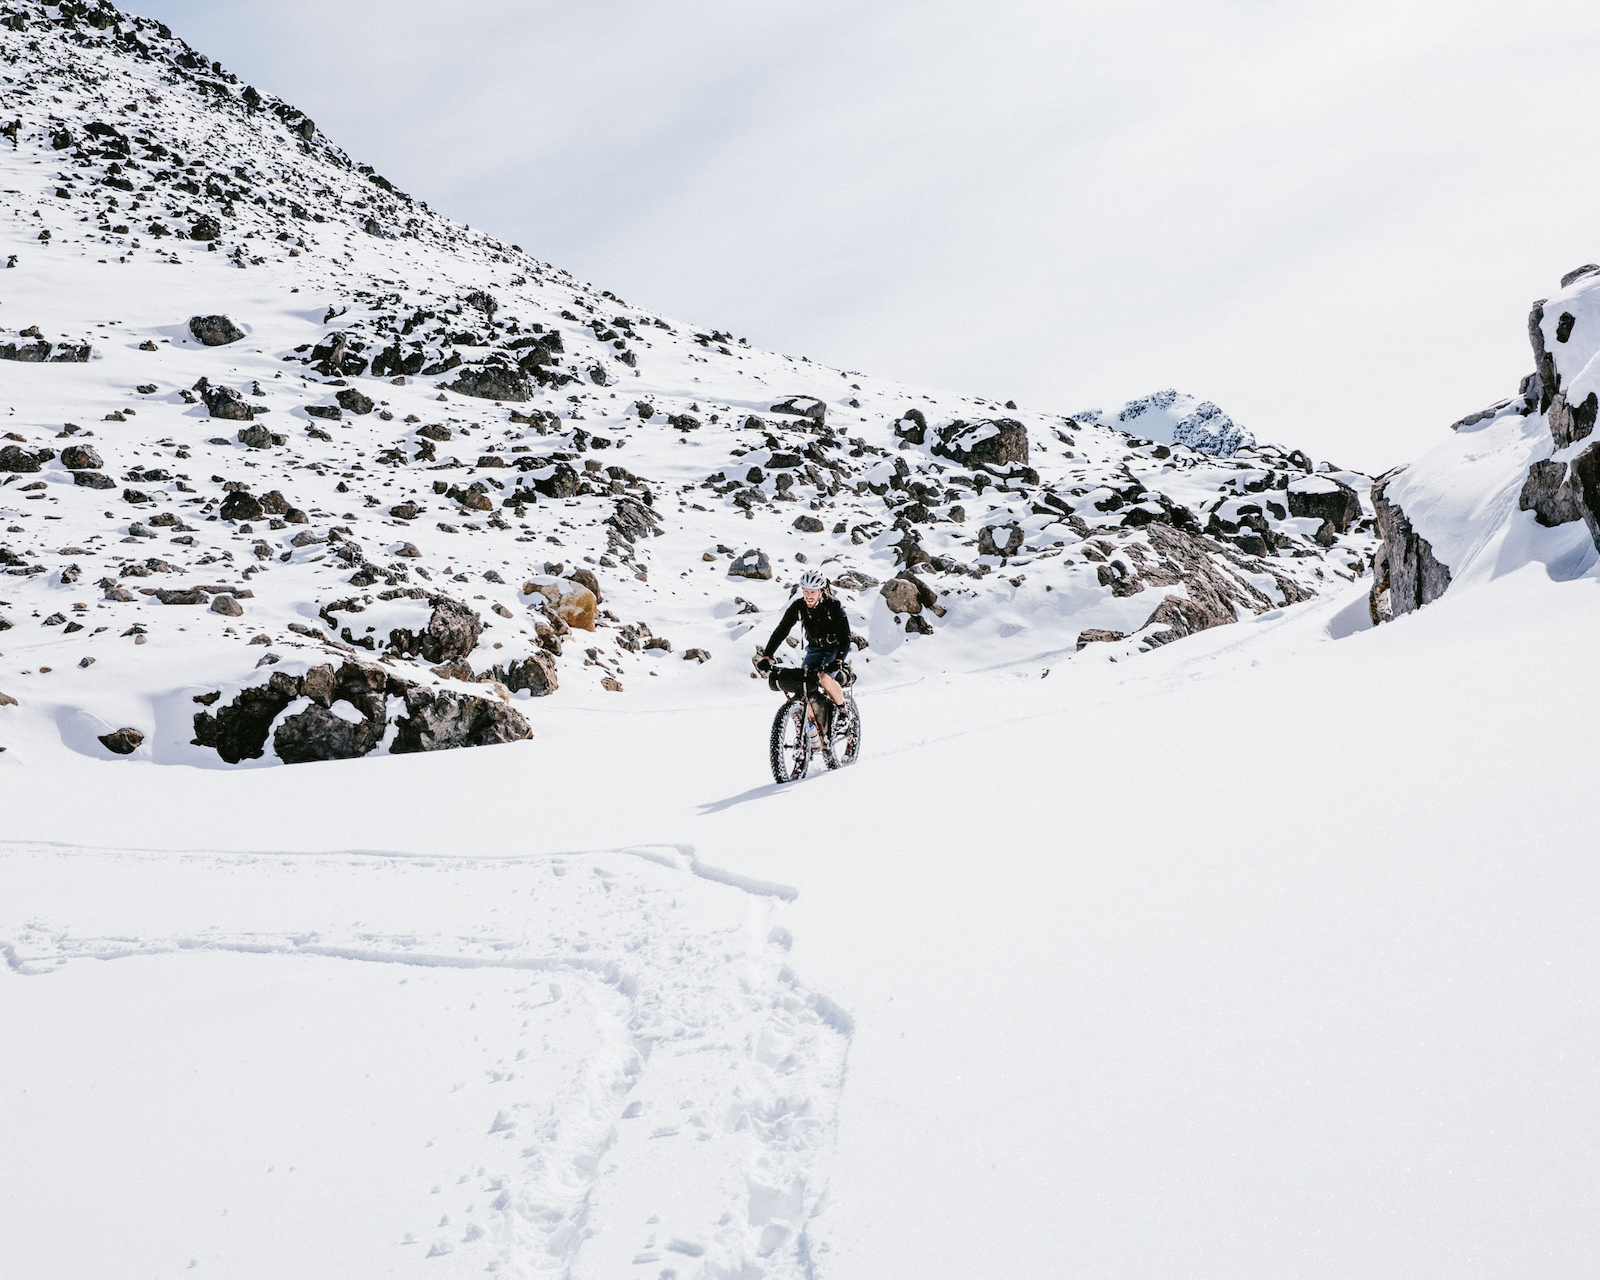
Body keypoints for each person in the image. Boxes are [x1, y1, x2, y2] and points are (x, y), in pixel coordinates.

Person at [755, 569, 850, 733]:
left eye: (812, 592)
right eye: (806, 591)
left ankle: (843, 712)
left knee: (824, 678)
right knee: (804, 685)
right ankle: (813, 730)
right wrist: (767, 656)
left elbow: (845, 636)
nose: (808, 596)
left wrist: (838, 660)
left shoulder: (833, 606)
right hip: (814, 649)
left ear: (821, 591)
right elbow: (781, 631)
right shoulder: (799, 606)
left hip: (833, 649)